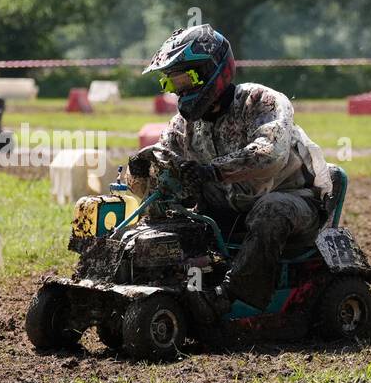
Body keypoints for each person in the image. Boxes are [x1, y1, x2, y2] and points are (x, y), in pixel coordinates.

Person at [127, 24, 332, 315]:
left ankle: (230, 296)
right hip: (231, 205)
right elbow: (165, 171)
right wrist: (142, 171)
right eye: (172, 84)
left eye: (186, 79)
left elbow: (269, 154)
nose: (179, 91)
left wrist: (212, 171)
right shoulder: (183, 127)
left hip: (297, 201)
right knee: (177, 211)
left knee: (271, 209)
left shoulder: (262, 101)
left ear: (214, 70)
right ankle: (162, 279)